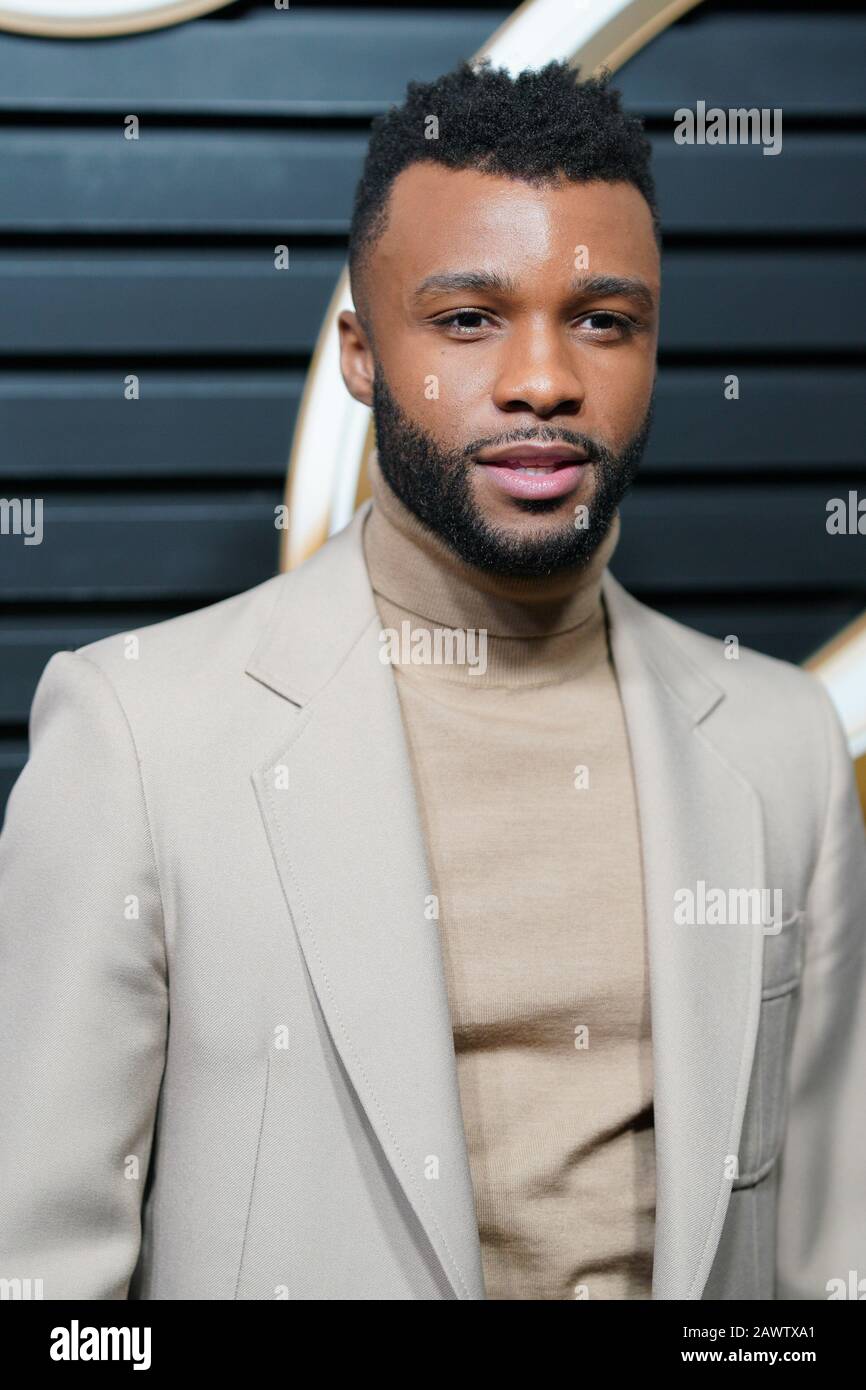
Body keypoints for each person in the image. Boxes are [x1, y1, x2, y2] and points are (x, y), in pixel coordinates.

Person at [1, 59, 864, 1302]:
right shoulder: (138, 734)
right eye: (467, 319)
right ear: (358, 353)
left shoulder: (780, 746)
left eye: (601, 320)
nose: (541, 381)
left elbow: (821, 1268)